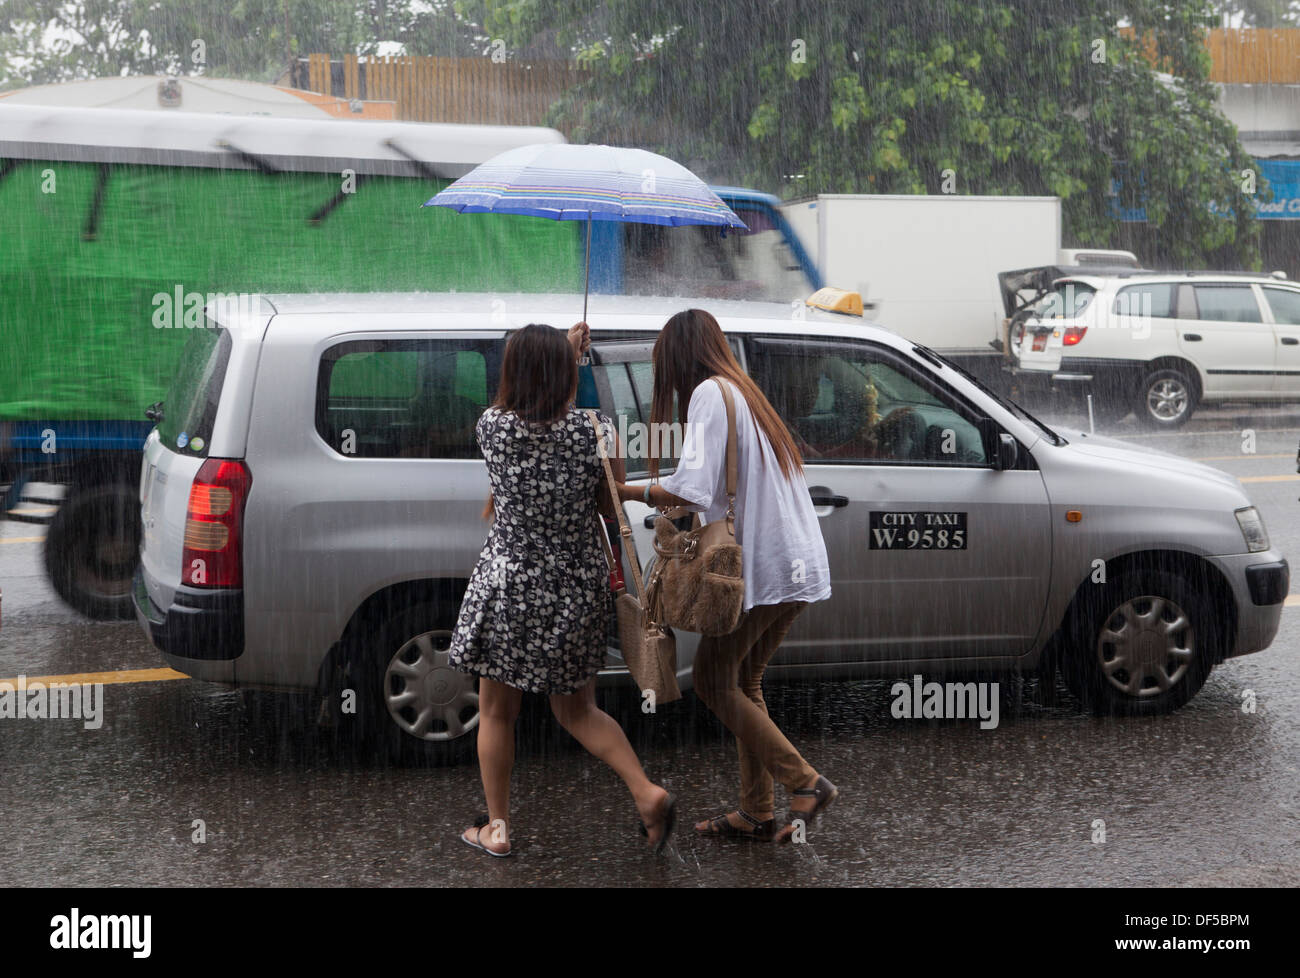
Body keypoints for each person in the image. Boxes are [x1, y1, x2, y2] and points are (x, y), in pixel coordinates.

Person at [448, 321, 675, 857]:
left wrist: (560, 356)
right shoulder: (597, 430)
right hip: (575, 586)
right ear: (564, 370)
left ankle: (498, 830)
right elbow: (607, 504)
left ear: (511, 370)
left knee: (499, 712)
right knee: (577, 711)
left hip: (510, 584)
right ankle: (646, 793)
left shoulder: (493, 427)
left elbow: (525, 408)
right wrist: (571, 363)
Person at [612, 308, 836, 843]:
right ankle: (757, 812)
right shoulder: (743, 390)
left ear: (677, 358)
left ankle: (805, 783)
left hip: (759, 567)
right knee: (744, 680)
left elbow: (691, 490)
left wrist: (627, 491)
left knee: (714, 680)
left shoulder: (711, 394)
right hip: (792, 561)